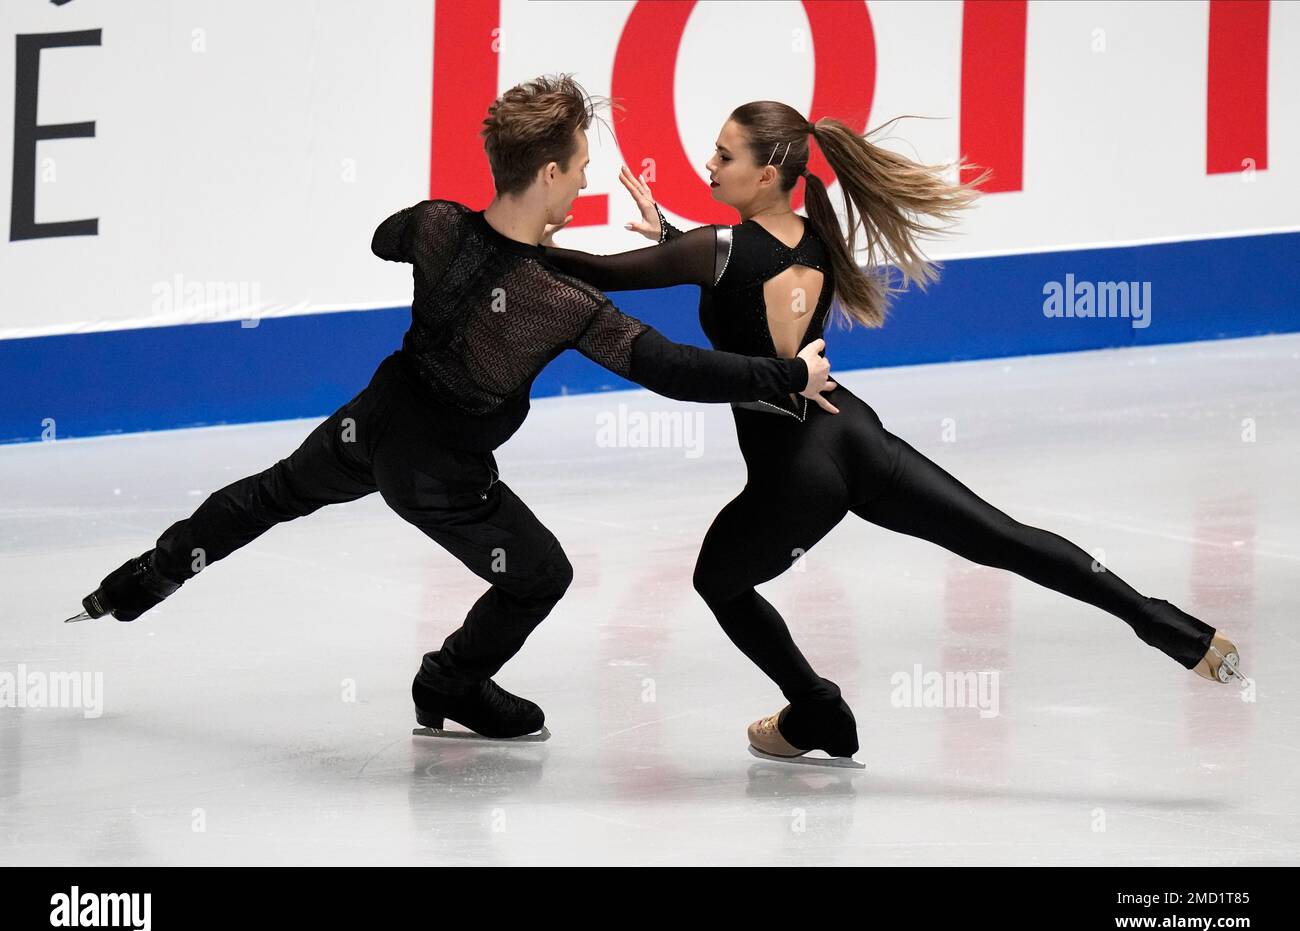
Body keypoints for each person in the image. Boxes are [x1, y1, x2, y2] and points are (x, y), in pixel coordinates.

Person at [66, 76, 837, 741]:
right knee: (540, 576)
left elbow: (384, 238)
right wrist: (784, 375)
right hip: (441, 475)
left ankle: (141, 581)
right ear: (546, 171)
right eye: (578, 170)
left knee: (269, 496)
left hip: (371, 422)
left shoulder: (438, 224)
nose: (581, 183)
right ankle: (449, 684)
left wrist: (456, 240)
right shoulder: (560, 302)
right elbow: (674, 370)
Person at [539, 101, 1248, 765]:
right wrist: (672, 237)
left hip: (796, 475)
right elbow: (748, 276)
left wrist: (515, 240)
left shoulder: (713, 249)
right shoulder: (810, 236)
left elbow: (599, 274)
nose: (708, 165)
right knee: (1001, 536)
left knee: (717, 580)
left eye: (723, 156)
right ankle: (1159, 620)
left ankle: (817, 708)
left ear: (766, 174)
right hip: (855, 436)